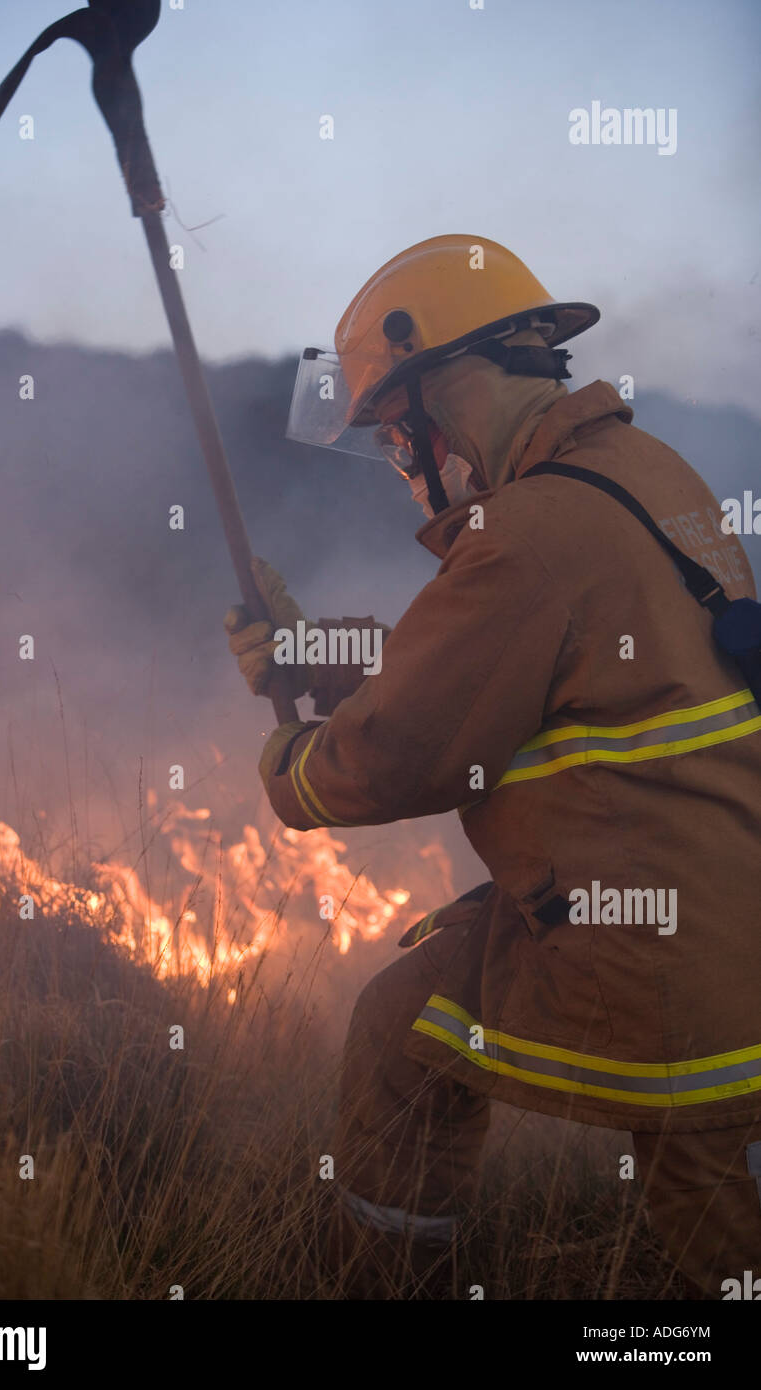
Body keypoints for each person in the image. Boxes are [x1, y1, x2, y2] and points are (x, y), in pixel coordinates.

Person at [225, 235, 761, 1298]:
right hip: (695, 890)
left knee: (721, 1237)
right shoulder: (634, 475)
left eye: (390, 432)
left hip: (663, 956)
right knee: (403, 1024)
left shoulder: (529, 531)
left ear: (443, 395)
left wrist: (291, 765)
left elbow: (400, 752)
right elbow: (499, 665)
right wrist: (314, 655)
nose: (397, 462)